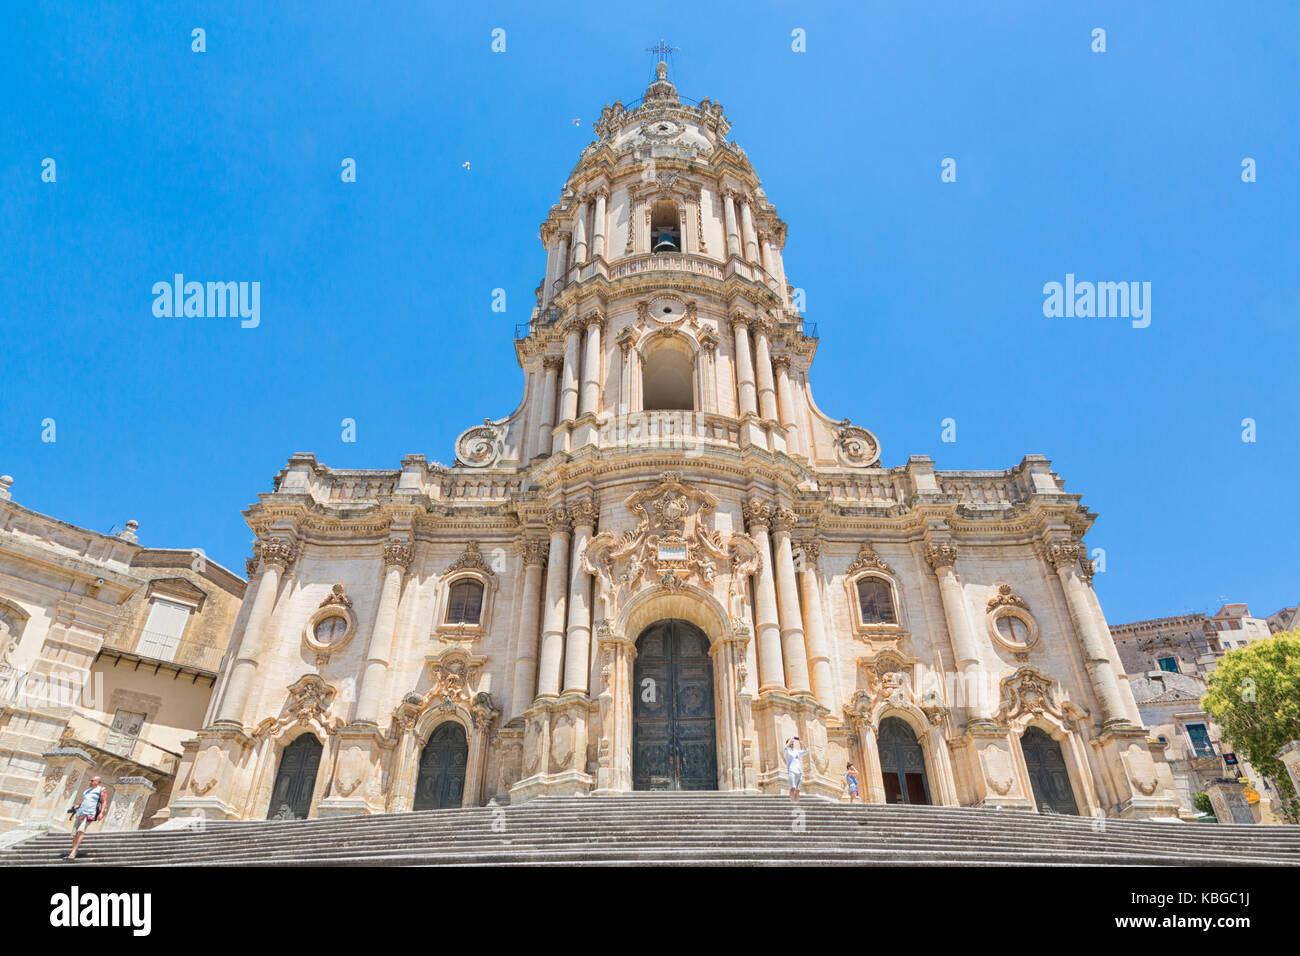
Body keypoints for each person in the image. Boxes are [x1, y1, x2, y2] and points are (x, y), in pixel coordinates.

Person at [63, 776, 110, 861]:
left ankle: (73, 853)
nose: (90, 782)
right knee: (74, 834)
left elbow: (104, 801)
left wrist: (101, 813)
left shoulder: (101, 789)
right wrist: (78, 806)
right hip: (80, 812)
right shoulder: (86, 791)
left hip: (90, 813)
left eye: (92, 780)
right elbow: (86, 801)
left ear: (97, 782)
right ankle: (73, 851)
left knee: (80, 831)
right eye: (90, 780)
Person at [784, 736, 809, 802]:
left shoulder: (796, 752)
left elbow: (806, 751)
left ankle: (796, 804)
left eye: (793, 743)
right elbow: (786, 747)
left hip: (799, 772)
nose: (792, 743)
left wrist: (801, 742)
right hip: (792, 771)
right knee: (792, 788)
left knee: (798, 790)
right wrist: (791, 739)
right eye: (791, 743)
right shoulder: (787, 751)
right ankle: (793, 803)